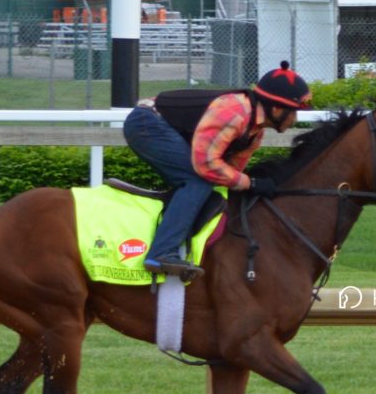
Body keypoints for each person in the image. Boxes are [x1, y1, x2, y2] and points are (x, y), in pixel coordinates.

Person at [123, 61, 312, 279]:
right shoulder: (234, 112)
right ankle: (161, 253)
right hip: (146, 123)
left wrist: (248, 185)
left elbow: (229, 174)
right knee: (196, 181)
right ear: (277, 109)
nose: (295, 120)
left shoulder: (255, 133)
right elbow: (207, 165)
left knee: (208, 185)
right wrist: (251, 183)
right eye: (293, 112)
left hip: (164, 125)